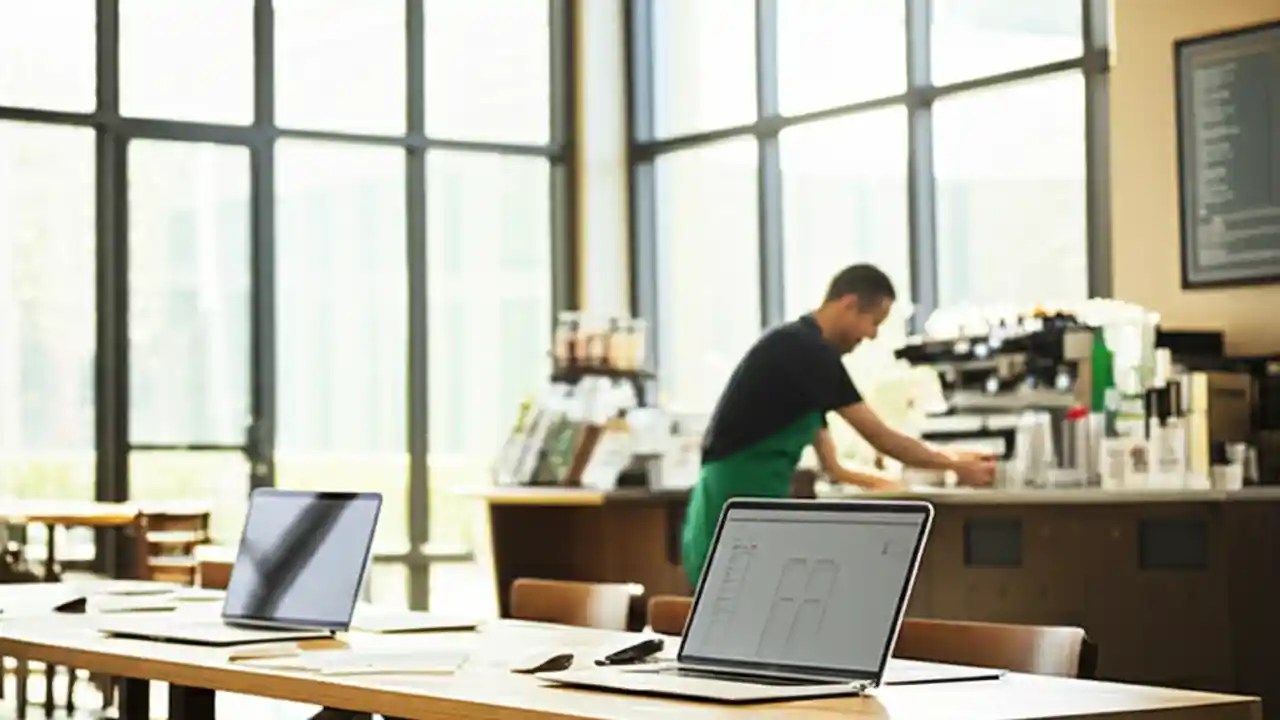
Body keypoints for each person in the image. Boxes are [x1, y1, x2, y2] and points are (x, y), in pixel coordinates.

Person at [680, 263, 995, 587]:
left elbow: (835, 467)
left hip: (749, 503)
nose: (872, 335)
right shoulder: (807, 353)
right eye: (873, 322)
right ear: (848, 304)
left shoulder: (800, 354)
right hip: (733, 503)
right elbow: (881, 438)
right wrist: (955, 467)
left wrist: (896, 486)